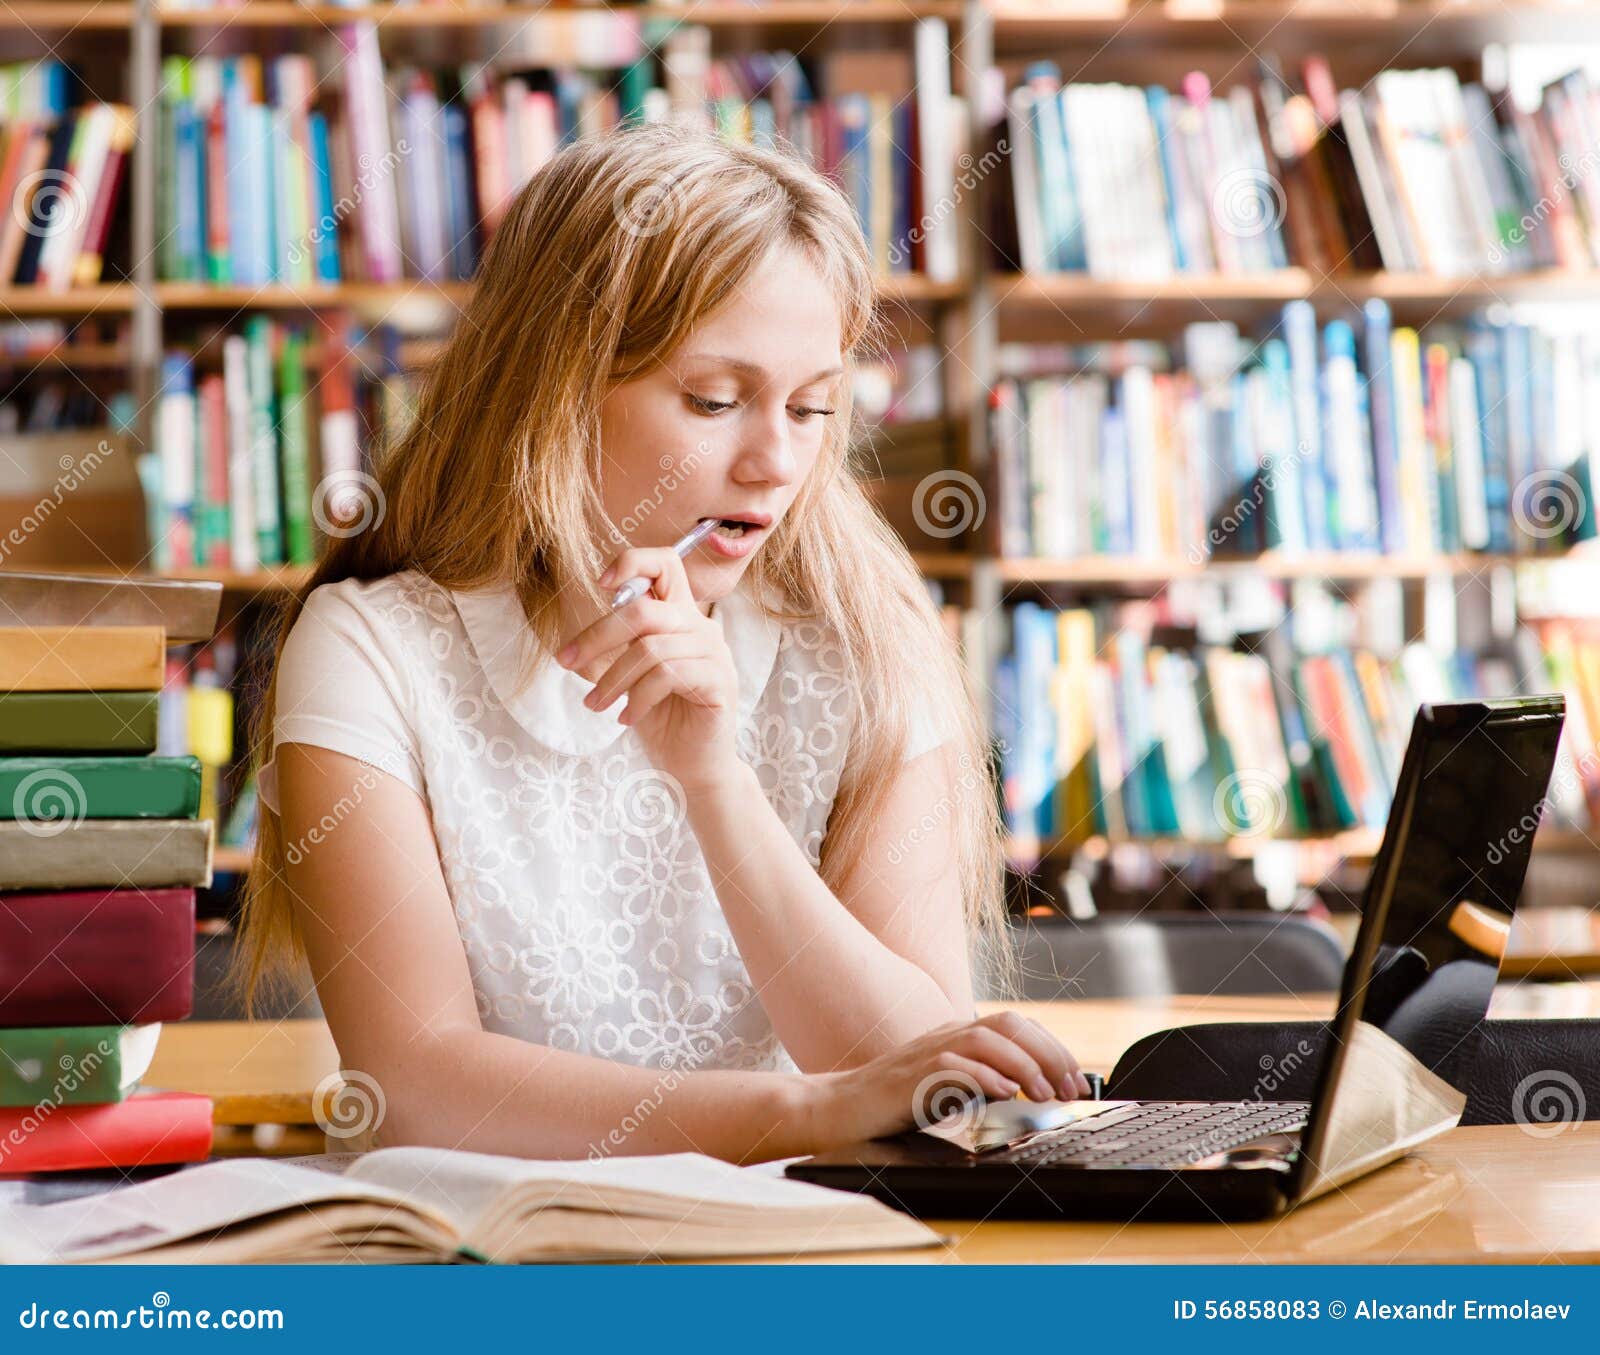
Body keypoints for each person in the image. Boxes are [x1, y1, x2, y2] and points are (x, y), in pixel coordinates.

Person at [235, 120, 1088, 1164]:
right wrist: (803, 1112)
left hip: (806, 1240)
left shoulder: (866, 636)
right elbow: (415, 1089)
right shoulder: (372, 647)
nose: (775, 461)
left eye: (813, 408)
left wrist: (715, 782)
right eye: (714, 400)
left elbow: (919, 1074)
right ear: (553, 387)